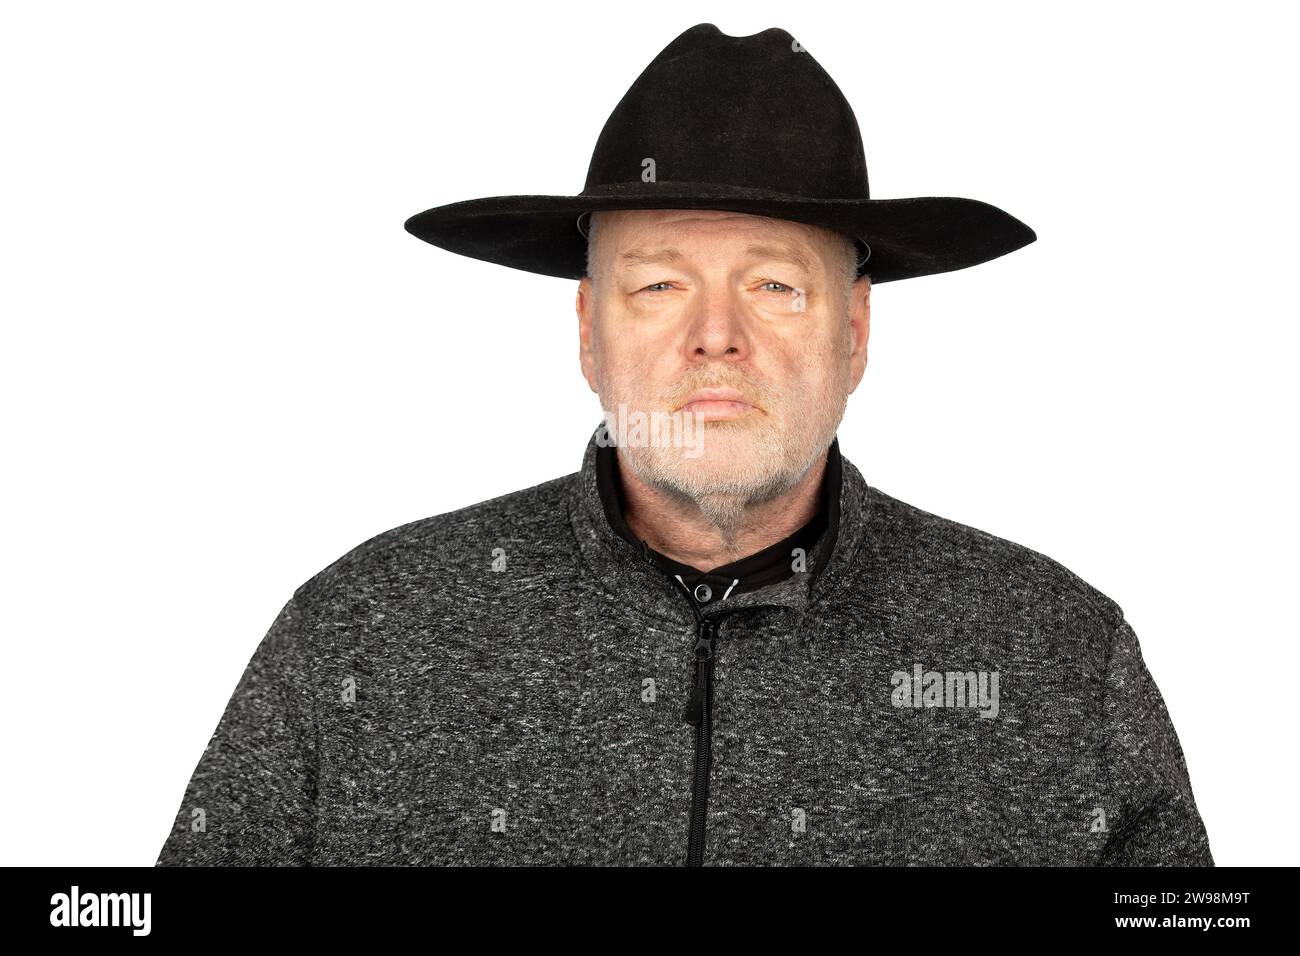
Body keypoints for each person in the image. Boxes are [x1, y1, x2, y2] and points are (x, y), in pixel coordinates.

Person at [158, 22, 1212, 866]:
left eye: (775, 285)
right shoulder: (358, 635)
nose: (717, 334)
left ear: (852, 333)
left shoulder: (1061, 658)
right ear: (586, 330)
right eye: (659, 283)